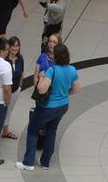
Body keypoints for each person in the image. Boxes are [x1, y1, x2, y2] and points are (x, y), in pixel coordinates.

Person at [18, 41, 79, 170]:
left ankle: (28, 163)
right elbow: (76, 89)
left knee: (33, 131)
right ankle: (45, 162)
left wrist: (42, 77)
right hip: (63, 106)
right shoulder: (72, 70)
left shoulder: (52, 70)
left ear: (56, 57)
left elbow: (41, 90)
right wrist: (65, 93)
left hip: (47, 107)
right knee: (52, 131)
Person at [1, 36, 26, 141]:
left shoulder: (20, 59)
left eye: (17, 46)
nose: (15, 48)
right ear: (9, 47)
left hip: (15, 90)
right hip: (4, 91)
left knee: (9, 111)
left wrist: (20, 86)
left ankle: (5, 131)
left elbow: (22, 73)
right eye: (13, 46)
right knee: (1, 111)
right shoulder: (4, 60)